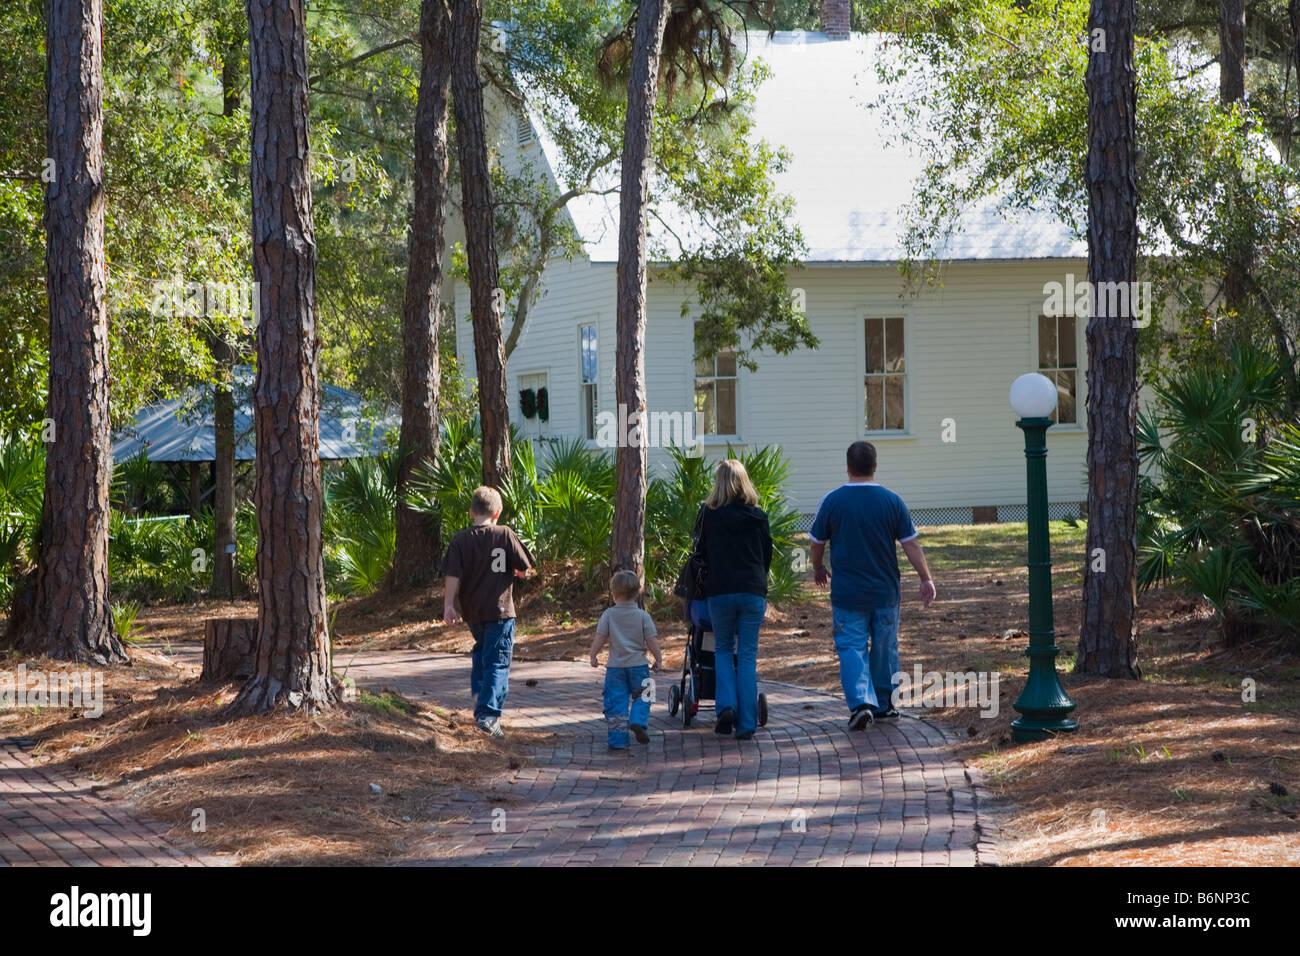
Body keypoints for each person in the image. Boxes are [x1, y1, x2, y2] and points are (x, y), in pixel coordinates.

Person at [810, 441, 935, 731]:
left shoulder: (832, 501)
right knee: (884, 647)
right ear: (875, 466)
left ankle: (860, 704)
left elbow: (816, 542)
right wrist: (926, 578)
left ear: (848, 467)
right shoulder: (892, 501)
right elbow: (910, 544)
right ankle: (884, 704)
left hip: (847, 593)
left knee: (851, 646)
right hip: (885, 592)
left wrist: (818, 568)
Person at [441, 486, 534, 738]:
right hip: (500, 610)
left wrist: (449, 604)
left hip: (473, 612)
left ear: (472, 512)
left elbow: (452, 574)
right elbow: (525, 568)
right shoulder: (504, 534)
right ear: (498, 512)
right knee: (498, 661)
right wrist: (520, 573)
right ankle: (488, 714)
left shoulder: (460, 539)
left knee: (483, 652)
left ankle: (480, 697)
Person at [698, 459, 773, 740]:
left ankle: (725, 706)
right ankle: (746, 723)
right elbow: (767, 555)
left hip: (720, 591)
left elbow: (700, 553)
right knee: (747, 656)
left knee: (723, 650)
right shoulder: (758, 516)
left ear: (719, 483)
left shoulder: (709, 515)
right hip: (752, 591)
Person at [589, 570, 663, 749]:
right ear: (638, 594)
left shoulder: (608, 614)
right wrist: (658, 659)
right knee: (646, 694)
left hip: (615, 668)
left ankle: (618, 740)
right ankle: (638, 720)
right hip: (639, 666)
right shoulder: (643, 616)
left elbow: (600, 636)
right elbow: (651, 640)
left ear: (613, 594)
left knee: (616, 703)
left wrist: (593, 654)